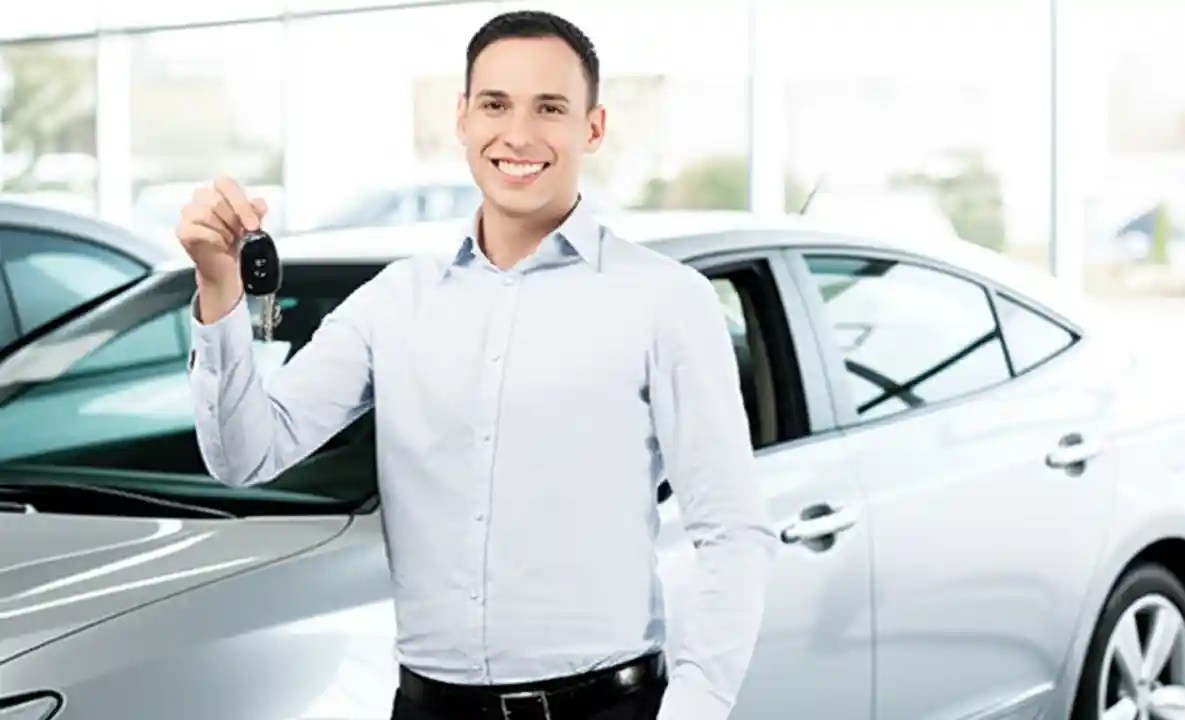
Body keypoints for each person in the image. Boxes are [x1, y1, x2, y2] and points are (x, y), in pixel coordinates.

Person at [176, 9, 775, 720]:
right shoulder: (395, 300)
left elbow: (732, 530)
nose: (518, 134)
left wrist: (695, 709)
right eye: (495, 104)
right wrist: (220, 289)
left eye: (549, 107)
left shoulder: (664, 300)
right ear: (461, 118)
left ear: (592, 127)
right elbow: (247, 454)